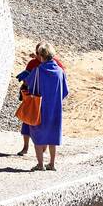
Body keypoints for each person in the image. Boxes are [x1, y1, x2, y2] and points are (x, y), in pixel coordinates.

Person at [21, 43, 68, 171]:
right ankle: (52, 164)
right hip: (55, 109)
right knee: (53, 136)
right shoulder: (60, 71)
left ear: (42, 56)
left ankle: (40, 164)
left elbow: (28, 84)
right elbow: (65, 91)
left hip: (40, 108)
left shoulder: (38, 70)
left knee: (38, 136)